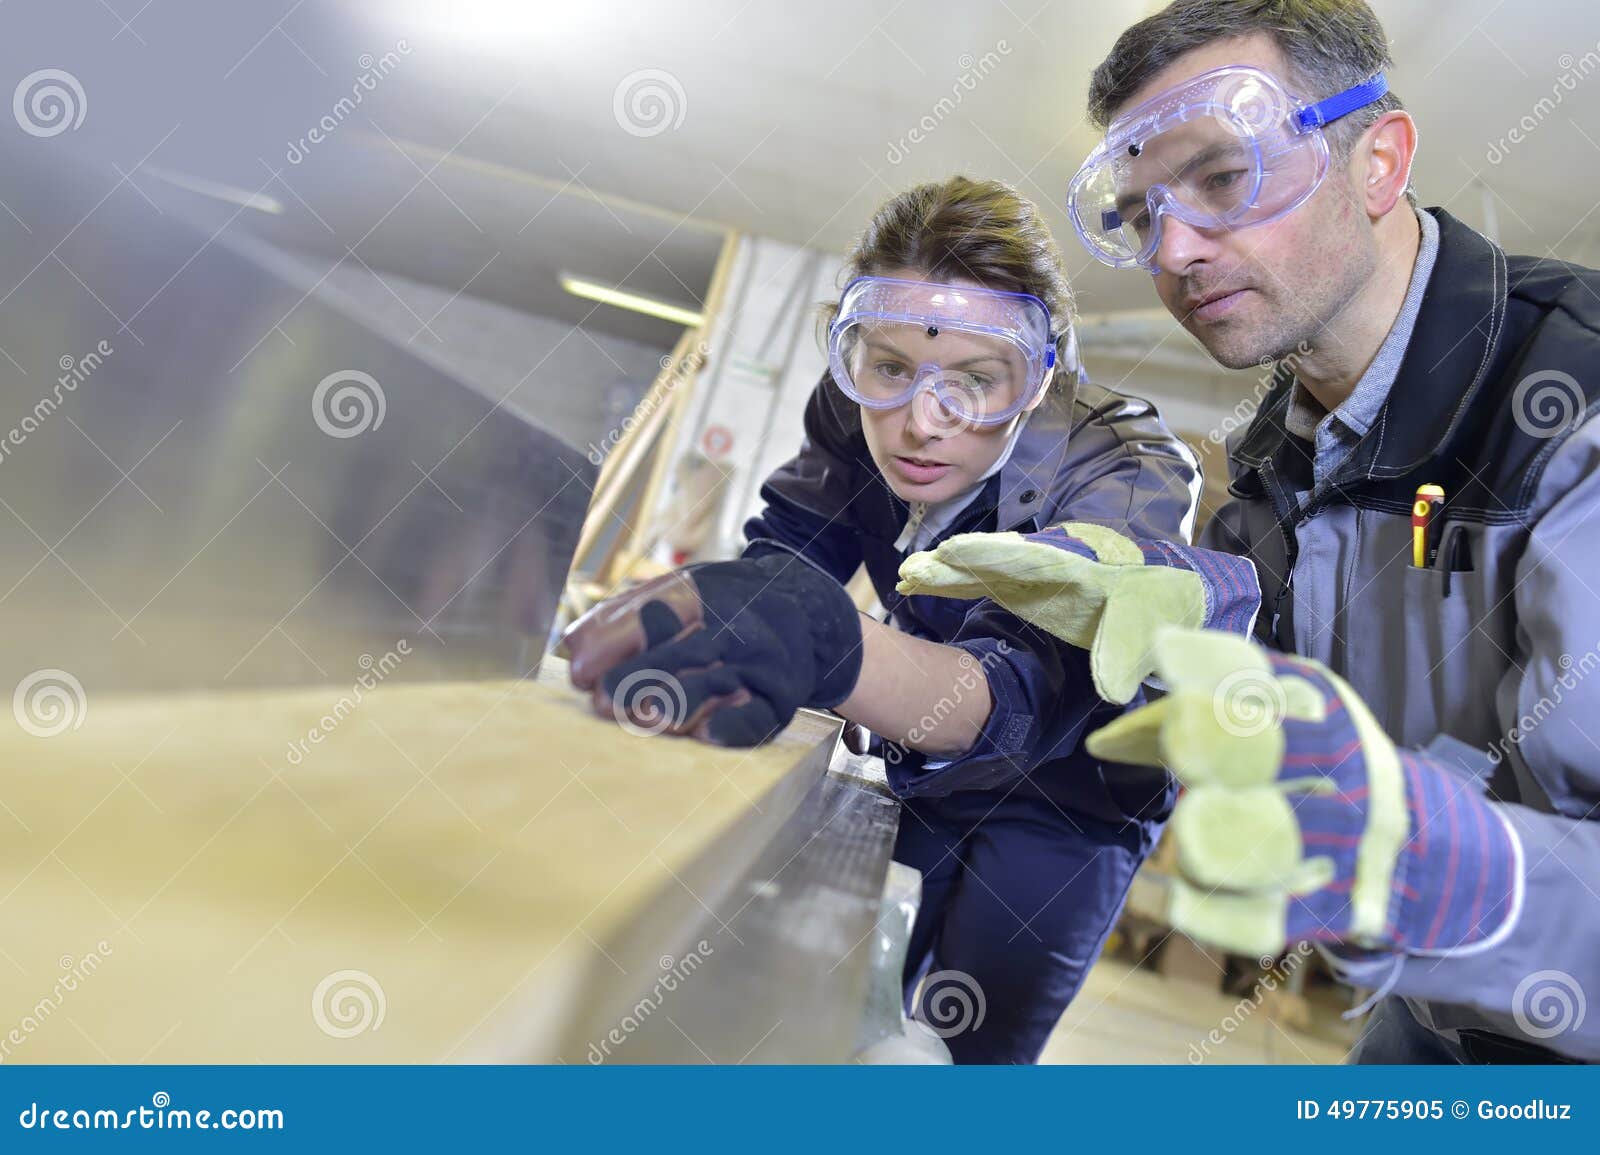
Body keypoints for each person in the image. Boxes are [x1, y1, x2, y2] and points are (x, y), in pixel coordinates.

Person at [916, 0, 1600, 1064]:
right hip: (1437, 1016)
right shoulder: (1279, 457)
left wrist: (1452, 868)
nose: (1174, 250)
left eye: (1224, 178)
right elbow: (1309, 700)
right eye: (1142, 215)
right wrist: (1197, 606)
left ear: (1376, 161)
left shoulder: (1572, 408)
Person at [562, 176, 1258, 1063]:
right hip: (926, 757)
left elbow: (1023, 693)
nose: (920, 423)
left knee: (970, 1046)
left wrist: (832, 644)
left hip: (1074, 799)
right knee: (839, 992)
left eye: (976, 381)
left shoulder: (1128, 468)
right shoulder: (857, 408)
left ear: (1042, 374)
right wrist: (741, 625)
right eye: (889, 368)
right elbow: (794, 546)